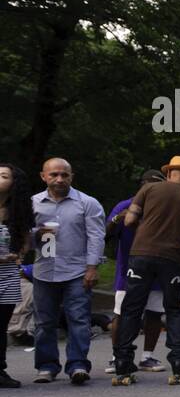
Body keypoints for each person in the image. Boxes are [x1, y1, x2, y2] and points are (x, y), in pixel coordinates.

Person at [112, 156, 180, 385]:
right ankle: (178, 365)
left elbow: (129, 221)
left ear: (168, 172)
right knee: (174, 310)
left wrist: (146, 232)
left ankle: (123, 365)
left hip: (141, 254)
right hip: (173, 259)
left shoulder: (148, 190)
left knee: (131, 308)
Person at [30, 158, 106, 385]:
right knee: (43, 322)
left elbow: (96, 236)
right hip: (44, 269)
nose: (59, 179)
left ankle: (77, 365)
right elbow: (21, 236)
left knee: (79, 320)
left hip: (76, 271)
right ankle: (46, 366)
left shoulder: (87, 203)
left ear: (71, 176)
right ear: (43, 176)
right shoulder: (32, 203)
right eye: (54, 175)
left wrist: (92, 268)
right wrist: (37, 233)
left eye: (64, 175)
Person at [106, 170, 169, 375]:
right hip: (129, 270)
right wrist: (117, 219)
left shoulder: (166, 208)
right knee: (121, 314)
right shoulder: (126, 205)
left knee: (154, 314)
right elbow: (104, 233)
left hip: (159, 270)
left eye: (157, 185)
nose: (151, 189)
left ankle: (146, 356)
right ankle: (118, 357)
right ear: (141, 185)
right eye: (148, 185)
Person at [0, 162, 33, 388]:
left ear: (14, 184)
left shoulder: (17, 212)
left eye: (3, 176)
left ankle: (0, 371)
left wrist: (18, 254)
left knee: (1, 326)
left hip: (7, 276)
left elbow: (24, 244)